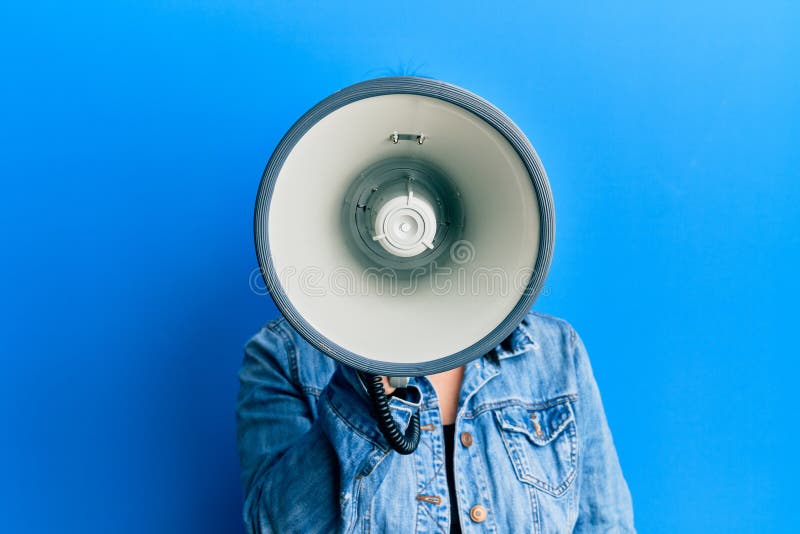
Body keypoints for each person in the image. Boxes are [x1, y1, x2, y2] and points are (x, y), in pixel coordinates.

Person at [236, 309, 635, 533]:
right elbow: (273, 527)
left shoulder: (552, 351)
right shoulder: (284, 355)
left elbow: (605, 525)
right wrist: (363, 383)